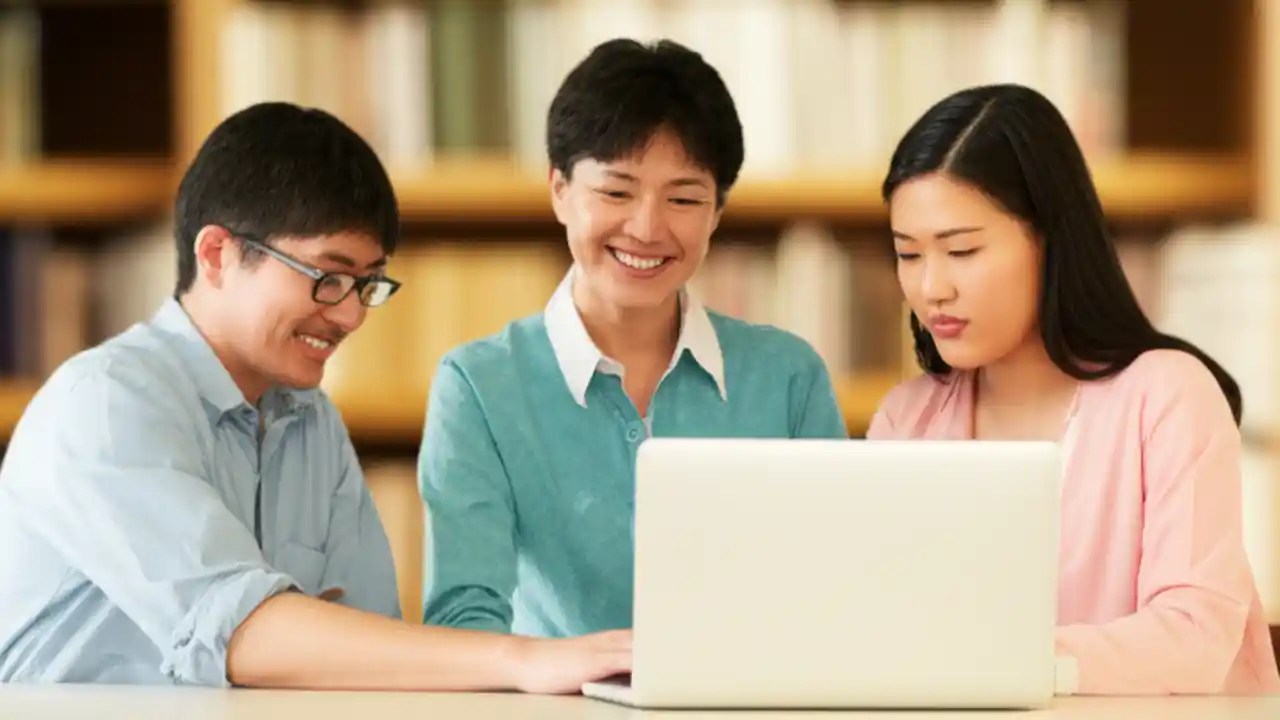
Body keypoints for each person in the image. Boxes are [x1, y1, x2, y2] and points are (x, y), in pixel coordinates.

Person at [0, 103, 629, 691]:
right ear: (217, 254)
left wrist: (313, 637)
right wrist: (526, 657)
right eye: (327, 278)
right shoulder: (105, 405)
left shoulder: (310, 420)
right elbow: (239, 634)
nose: (351, 316)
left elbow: (363, 646)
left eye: (369, 285)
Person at [419, 39, 847, 638]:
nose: (647, 228)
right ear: (559, 190)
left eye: (683, 198)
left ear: (717, 211)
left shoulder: (788, 378)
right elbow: (466, 618)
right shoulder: (479, 386)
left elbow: (832, 587)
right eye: (616, 192)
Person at [867, 83, 1280, 695]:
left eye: (962, 250)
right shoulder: (908, 420)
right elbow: (876, 626)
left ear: (1050, 239)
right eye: (908, 254)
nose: (932, 288)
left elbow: (1194, 638)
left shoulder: (1167, 396)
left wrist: (994, 658)